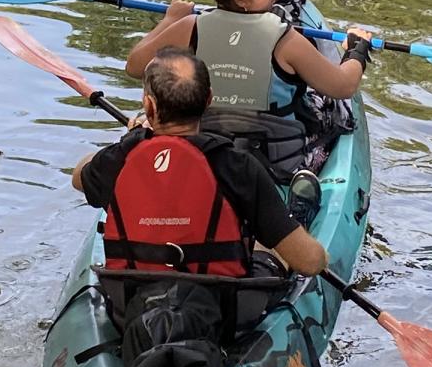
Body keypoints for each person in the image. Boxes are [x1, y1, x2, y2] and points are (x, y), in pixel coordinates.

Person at [125, 0, 372, 183]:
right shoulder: (285, 39)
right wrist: (357, 50)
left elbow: (134, 66)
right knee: (327, 105)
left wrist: (170, 19)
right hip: (275, 162)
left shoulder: (190, 27)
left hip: (206, 148)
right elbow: (343, 86)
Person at [72, 46, 327, 278]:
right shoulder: (237, 165)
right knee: (264, 245)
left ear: (148, 105)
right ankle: (297, 219)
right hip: (220, 298)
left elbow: (78, 177)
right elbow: (310, 263)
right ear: (208, 100)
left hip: (130, 294)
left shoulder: (121, 159)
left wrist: (130, 141)